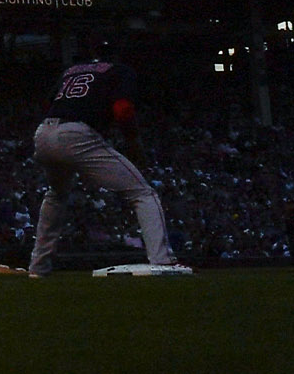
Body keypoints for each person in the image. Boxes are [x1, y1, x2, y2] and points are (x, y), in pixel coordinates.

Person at [27, 43, 192, 277]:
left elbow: (47, 104)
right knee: (143, 193)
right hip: (77, 134)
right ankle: (163, 261)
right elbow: (123, 109)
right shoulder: (120, 70)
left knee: (56, 195)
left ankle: (38, 268)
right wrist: (133, 143)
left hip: (44, 132)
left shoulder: (71, 70)